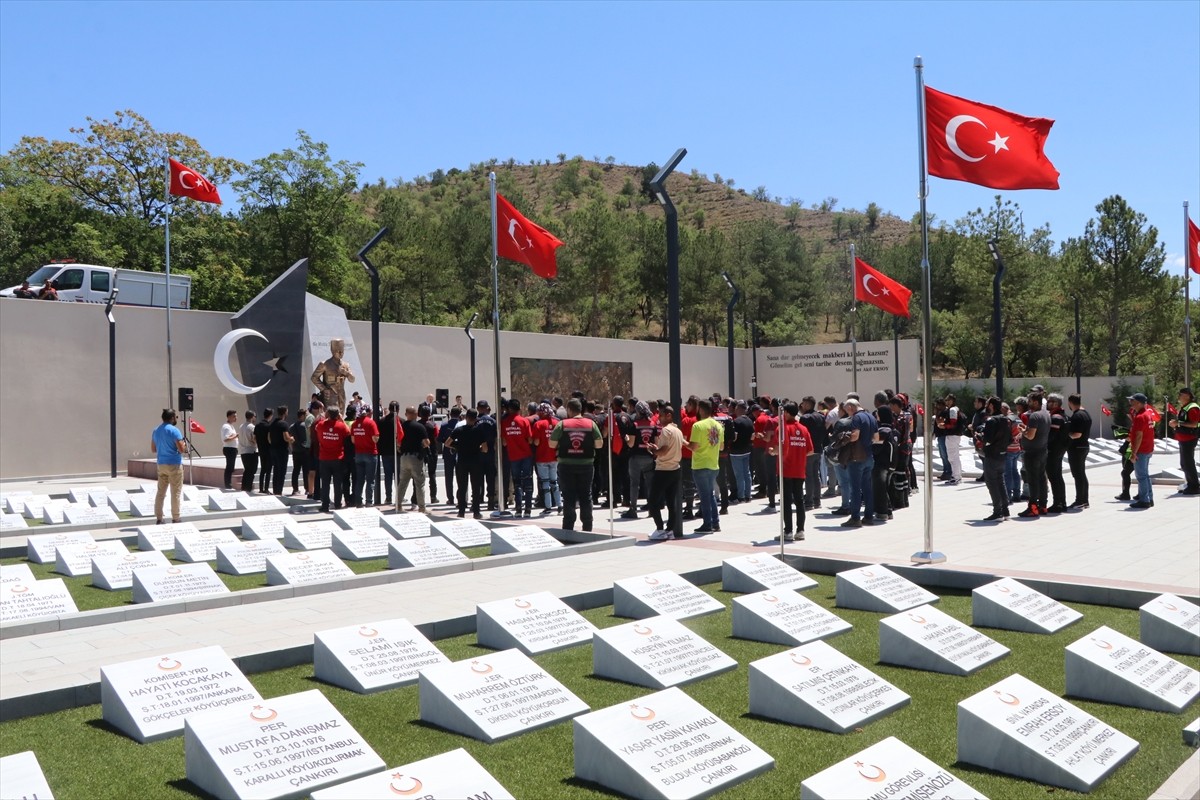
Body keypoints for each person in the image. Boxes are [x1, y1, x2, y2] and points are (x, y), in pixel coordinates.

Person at [550, 398, 602, 531]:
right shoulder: (591, 424)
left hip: (566, 465)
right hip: (586, 465)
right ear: (581, 410)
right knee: (586, 495)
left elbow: (552, 444)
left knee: (568, 496)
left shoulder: (562, 424)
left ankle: (568, 527)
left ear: (569, 409)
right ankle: (587, 526)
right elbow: (599, 444)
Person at [771, 401, 812, 543]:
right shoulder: (804, 429)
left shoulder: (781, 429)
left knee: (786, 501)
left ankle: (788, 531)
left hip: (785, 470)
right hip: (799, 469)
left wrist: (772, 451)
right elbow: (810, 450)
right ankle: (800, 530)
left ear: (787, 413)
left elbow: (779, 449)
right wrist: (798, 455)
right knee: (799, 500)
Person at [647, 405, 684, 540]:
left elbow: (663, 451)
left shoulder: (666, 431)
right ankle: (670, 530)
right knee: (671, 501)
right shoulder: (677, 430)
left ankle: (660, 529)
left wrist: (653, 450)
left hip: (663, 470)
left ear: (668, 415)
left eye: (661, 415)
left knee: (653, 501)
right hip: (675, 468)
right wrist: (658, 449)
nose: (659, 418)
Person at [688, 399, 724, 534]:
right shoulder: (718, 426)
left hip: (700, 464)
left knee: (705, 496)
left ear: (700, 409)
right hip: (714, 464)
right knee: (710, 494)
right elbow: (721, 447)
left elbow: (694, 447)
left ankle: (707, 524)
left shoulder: (698, 426)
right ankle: (715, 523)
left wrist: (683, 441)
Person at [841, 398, 877, 527]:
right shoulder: (871, 417)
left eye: (847, 410)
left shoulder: (856, 418)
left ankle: (855, 518)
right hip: (869, 457)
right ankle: (868, 517)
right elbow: (876, 437)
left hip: (857, 458)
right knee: (867, 488)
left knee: (855, 489)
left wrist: (845, 439)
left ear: (851, 407)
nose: (847, 413)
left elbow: (855, 435)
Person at [624, 401, 659, 519]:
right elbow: (656, 442)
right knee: (650, 484)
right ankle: (652, 509)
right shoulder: (653, 424)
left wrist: (627, 439)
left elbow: (631, 443)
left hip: (635, 457)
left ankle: (633, 509)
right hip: (649, 457)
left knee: (634, 484)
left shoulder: (634, 424)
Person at [150, 409, 187, 524]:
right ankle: (176, 518)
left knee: (161, 492)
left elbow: (153, 449)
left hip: (161, 464)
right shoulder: (175, 431)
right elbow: (181, 449)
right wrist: (184, 445)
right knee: (175, 492)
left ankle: (159, 518)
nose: (176, 419)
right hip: (174, 464)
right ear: (171, 418)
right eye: (175, 417)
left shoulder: (156, 430)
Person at [1018, 392, 1050, 518]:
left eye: (1030, 401)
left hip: (1032, 453)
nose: (1028, 403)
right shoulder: (1046, 414)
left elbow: (1031, 436)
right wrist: (1027, 428)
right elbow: (1036, 432)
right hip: (1042, 451)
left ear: (1036, 402)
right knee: (1042, 479)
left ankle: (1032, 507)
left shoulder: (1035, 416)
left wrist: (1023, 431)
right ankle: (1043, 506)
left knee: (1033, 480)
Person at [500, 399, 535, 517]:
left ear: (509, 409)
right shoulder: (524, 421)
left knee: (517, 483)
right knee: (528, 481)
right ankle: (528, 509)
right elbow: (530, 439)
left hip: (513, 456)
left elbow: (504, 443)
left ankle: (519, 509)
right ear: (519, 408)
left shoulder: (504, 423)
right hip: (526, 455)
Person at [449, 408, 486, 518]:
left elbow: (447, 443)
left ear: (466, 417)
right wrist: (478, 448)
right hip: (475, 461)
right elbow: (485, 448)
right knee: (475, 487)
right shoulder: (479, 431)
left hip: (462, 462)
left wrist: (457, 446)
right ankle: (476, 512)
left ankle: (461, 512)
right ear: (476, 419)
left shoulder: (459, 430)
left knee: (462, 487)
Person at [980, 397, 1011, 521]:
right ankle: (1005, 510)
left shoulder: (991, 421)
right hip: (1002, 454)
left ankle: (997, 512)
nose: (986, 406)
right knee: (1000, 481)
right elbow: (1010, 438)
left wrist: (980, 435)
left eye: (987, 404)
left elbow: (987, 439)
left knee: (992, 483)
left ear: (992, 405)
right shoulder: (1006, 420)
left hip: (992, 455)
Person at [314, 406, 350, 512]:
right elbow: (348, 432)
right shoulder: (341, 426)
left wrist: (326, 418)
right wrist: (341, 419)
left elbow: (316, 428)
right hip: (338, 458)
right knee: (337, 483)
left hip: (324, 459)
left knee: (325, 483)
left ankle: (325, 505)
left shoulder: (321, 425)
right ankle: (338, 504)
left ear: (327, 414)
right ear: (338, 415)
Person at [395, 405, 430, 513]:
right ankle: (422, 508)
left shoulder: (402, 426)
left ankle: (399, 505)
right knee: (419, 483)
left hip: (404, 457)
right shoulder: (419, 427)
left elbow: (398, 442)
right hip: (415, 457)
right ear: (416, 414)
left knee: (403, 483)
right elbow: (427, 442)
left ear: (406, 414)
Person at [1168, 387, 1200, 495]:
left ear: (1187, 395)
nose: (1179, 396)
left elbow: (1194, 424)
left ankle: (1194, 487)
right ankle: (1190, 484)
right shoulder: (1185, 407)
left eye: (1181, 394)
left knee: (1188, 463)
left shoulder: (1192, 408)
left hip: (1189, 438)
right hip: (1183, 438)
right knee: (1184, 463)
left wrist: (1178, 424)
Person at [310, 338, 355, 412]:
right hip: (329, 396)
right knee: (331, 416)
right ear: (333, 352)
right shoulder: (325, 364)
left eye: (342, 352)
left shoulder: (345, 365)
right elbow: (314, 377)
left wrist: (346, 373)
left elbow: (352, 379)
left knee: (341, 416)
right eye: (339, 352)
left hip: (341, 395)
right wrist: (324, 389)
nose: (341, 354)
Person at [531, 404, 561, 513]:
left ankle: (548, 506)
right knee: (554, 482)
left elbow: (536, 442)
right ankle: (559, 505)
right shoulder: (557, 423)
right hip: (554, 457)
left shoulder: (538, 424)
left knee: (545, 483)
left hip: (542, 457)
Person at [1127, 392, 1155, 509]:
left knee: (1141, 476)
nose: (1131, 403)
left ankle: (1144, 500)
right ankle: (1149, 498)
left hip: (1141, 450)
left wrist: (1134, 453)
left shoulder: (1140, 417)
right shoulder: (1147, 414)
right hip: (1148, 449)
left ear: (1138, 403)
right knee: (1145, 475)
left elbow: (1139, 436)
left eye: (1132, 401)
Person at [1043, 394, 1071, 514]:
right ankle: (1061, 502)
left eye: (1049, 402)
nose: (1047, 403)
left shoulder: (1056, 417)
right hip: (1060, 449)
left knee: (1054, 477)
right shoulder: (1064, 416)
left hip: (1053, 450)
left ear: (1055, 403)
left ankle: (1058, 503)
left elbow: (1051, 436)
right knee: (1058, 477)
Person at [1066, 394, 1092, 509]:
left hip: (1077, 448)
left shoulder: (1077, 416)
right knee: (1081, 474)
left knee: (1078, 475)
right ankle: (1084, 500)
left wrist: (1066, 436)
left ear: (1070, 402)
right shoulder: (1086, 414)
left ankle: (1080, 500)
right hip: (1084, 446)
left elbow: (1077, 434)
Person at [351, 406, 380, 507]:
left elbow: (353, 440)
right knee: (370, 479)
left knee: (359, 479)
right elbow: (375, 439)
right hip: (370, 453)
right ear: (367, 412)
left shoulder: (354, 424)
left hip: (358, 453)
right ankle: (369, 501)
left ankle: (358, 501)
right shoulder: (371, 423)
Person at [936, 394, 963, 485]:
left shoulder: (952, 410)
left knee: (952, 457)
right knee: (955, 456)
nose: (946, 402)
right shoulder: (956, 409)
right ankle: (957, 476)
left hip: (952, 435)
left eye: (948, 400)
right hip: (954, 435)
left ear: (952, 400)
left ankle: (956, 477)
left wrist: (943, 426)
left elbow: (952, 424)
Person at [438, 406, 461, 504]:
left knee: (449, 477)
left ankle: (450, 498)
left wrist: (449, 444)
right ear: (459, 415)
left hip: (448, 452)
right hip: (459, 452)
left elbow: (439, 439)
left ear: (450, 414)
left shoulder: (444, 425)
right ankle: (460, 496)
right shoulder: (461, 425)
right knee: (460, 477)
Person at [378, 402, 399, 505]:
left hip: (385, 452)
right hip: (397, 452)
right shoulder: (400, 421)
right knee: (398, 475)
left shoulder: (382, 421)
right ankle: (399, 496)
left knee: (388, 476)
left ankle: (388, 497)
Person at [269, 406, 293, 496]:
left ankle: (275, 490)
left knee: (275, 470)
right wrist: (291, 439)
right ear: (284, 413)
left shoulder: (272, 424)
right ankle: (279, 491)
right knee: (282, 471)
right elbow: (286, 437)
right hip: (282, 450)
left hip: (273, 449)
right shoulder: (284, 424)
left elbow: (269, 438)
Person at [288, 406, 311, 497]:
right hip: (304, 451)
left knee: (296, 470)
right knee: (306, 471)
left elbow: (290, 439)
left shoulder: (291, 426)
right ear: (302, 416)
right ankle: (307, 488)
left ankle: (295, 489)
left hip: (296, 451)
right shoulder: (305, 426)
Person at [237, 410, 258, 493]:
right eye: (255, 416)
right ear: (252, 417)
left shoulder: (241, 426)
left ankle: (244, 487)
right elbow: (254, 439)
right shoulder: (252, 427)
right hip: (251, 450)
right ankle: (248, 488)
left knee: (247, 470)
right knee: (252, 470)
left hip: (243, 451)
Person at [254, 408, 273, 493]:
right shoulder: (269, 426)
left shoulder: (257, 425)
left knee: (262, 469)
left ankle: (261, 488)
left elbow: (254, 438)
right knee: (268, 470)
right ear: (271, 415)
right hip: (268, 450)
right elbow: (269, 439)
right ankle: (266, 488)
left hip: (261, 449)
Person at [220, 410, 239, 490]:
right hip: (229, 449)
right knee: (229, 467)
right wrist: (236, 436)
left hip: (233, 448)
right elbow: (226, 439)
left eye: (236, 416)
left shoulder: (231, 426)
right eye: (234, 416)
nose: (236, 418)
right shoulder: (226, 427)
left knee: (231, 467)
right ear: (229, 417)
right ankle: (228, 484)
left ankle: (229, 483)